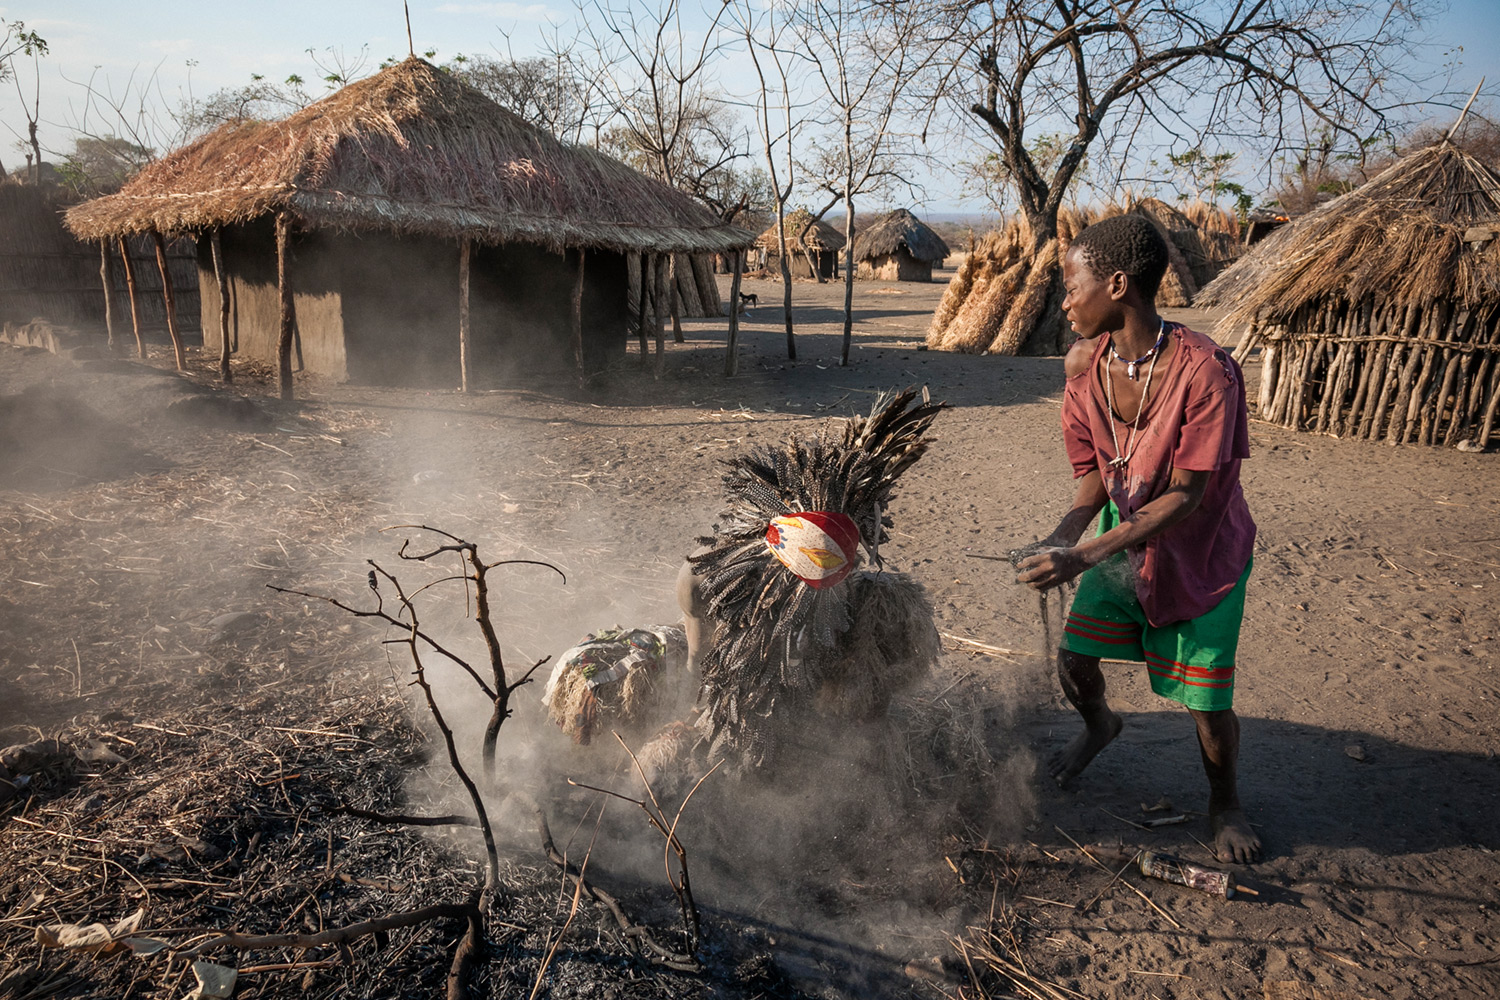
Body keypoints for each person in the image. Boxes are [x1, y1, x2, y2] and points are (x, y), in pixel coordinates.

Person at [1016, 214, 1261, 864]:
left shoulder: (1209, 373)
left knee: (1205, 701)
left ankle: (1225, 803)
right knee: (1074, 661)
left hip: (1201, 555)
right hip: (1121, 544)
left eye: (1072, 285)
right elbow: (1093, 475)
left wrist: (1083, 553)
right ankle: (1102, 725)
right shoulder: (1084, 370)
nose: (1064, 300)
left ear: (1118, 284)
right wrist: (1064, 534)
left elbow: (1187, 496)